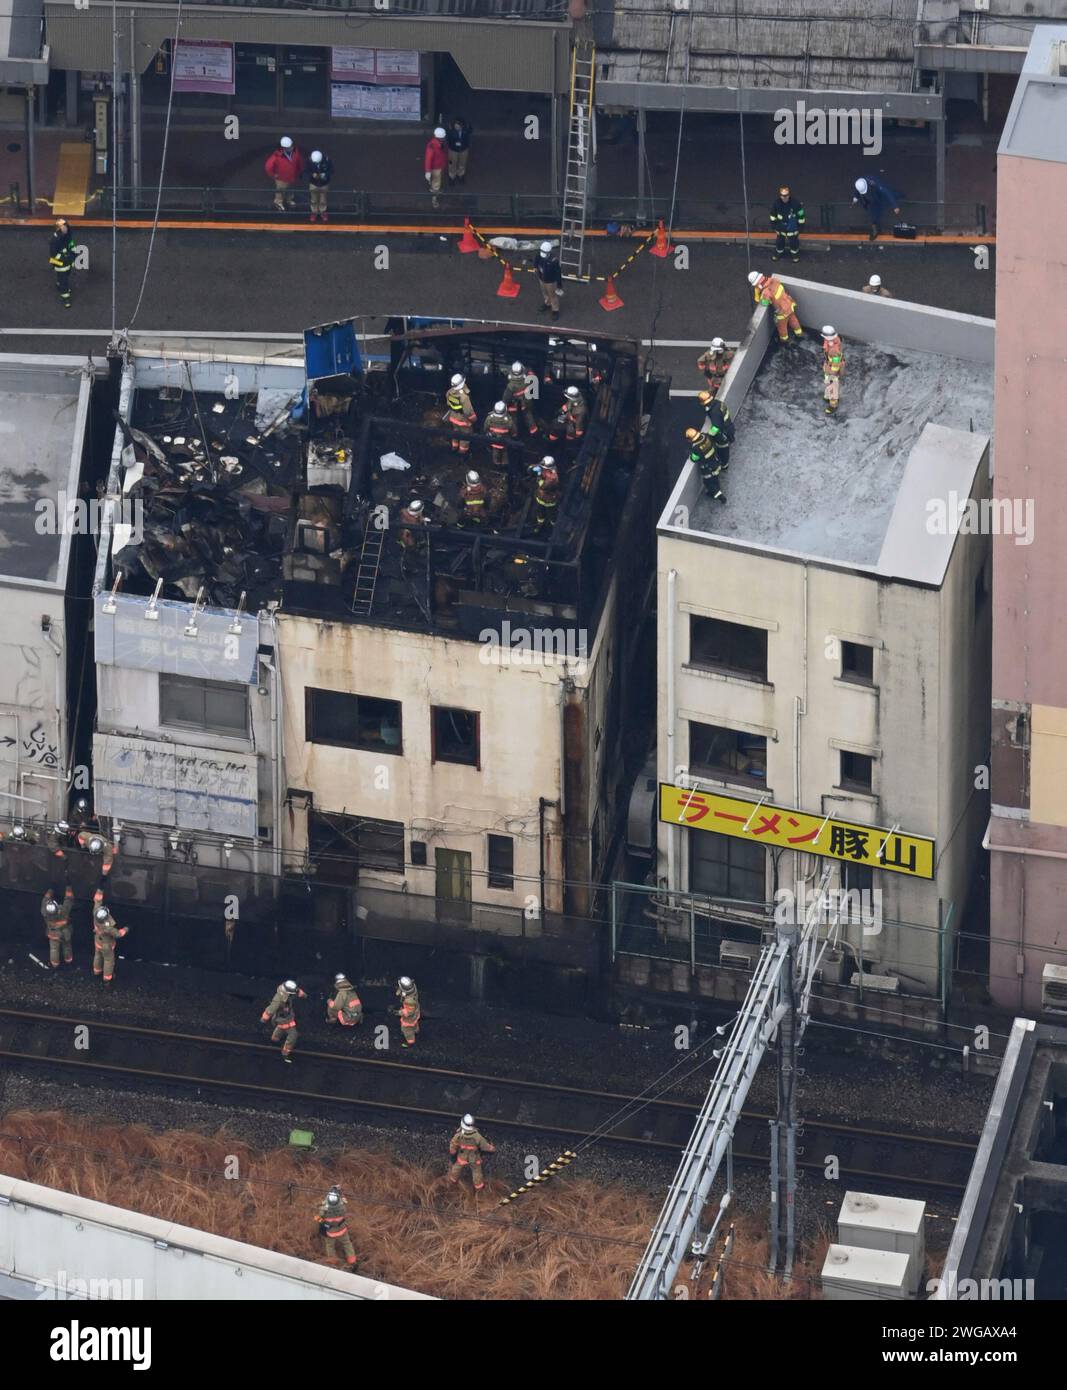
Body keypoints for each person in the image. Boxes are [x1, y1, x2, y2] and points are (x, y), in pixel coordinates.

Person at [748, 270, 803, 345]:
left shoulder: (766, 292)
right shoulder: (775, 280)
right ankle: (799, 334)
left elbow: (765, 303)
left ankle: (785, 341)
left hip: (782, 312)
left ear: (757, 283)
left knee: (782, 327)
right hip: (790, 304)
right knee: (793, 320)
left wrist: (760, 295)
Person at [260, 979, 307, 1063]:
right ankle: (285, 1052)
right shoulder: (278, 998)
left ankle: (274, 1039)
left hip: (286, 1016)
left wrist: (302, 994)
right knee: (293, 1035)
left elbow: (297, 992)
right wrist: (264, 1018)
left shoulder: (288, 992)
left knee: (281, 1028)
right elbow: (271, 1009)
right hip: (282, 1018)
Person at [448, 1114, 496, 1192]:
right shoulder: (478, 1137)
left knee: (456, 1169)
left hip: (462, 1157)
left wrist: (452, 1152)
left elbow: (453, 1146)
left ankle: (452, 1181)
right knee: (477, 1172)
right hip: (474, 1158)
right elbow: (485, 1146)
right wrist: (492, 1149)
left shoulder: (458, 1136)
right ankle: (479, 1188)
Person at [316, 1187, 359, 1270]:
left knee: (330, 1246)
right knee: (347, 1244)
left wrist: (321, 1221)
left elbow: (318, 1217)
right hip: (342, 1231)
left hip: (330, 1233)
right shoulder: (342, 1207)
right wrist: (339, 1191)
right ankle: (352, 1261)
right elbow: (344, 1200)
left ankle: (332, 1261)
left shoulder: (324, 1209)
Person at [853, 175, 902, 241]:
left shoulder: (876, 183)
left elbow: (886, 193)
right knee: (875, 212)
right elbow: (858, 190)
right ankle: (875, 227)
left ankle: (900, 195)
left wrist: (895, 206)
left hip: (878, 196)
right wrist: (855, 196)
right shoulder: (860, 183)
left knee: (891, 196)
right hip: (871, 199)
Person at [685, 428, 726, 504]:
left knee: (708, 483)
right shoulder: (705, 436)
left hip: (707, 468)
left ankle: (719, 495)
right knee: (715, 479)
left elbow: (694, 459)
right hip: (715, 461)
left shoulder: (696, 448)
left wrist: (690, 454)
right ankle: (714, 492)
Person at [264, 137, 305, 213]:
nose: (291, 147)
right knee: (281, 191)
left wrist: (300, 171)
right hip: (281, 178)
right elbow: (268, 166)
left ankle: (289, 199)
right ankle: (278, 202)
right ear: (284, 148)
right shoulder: (276, 156)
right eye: (289, 146)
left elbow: (299, 162)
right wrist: (273, 175)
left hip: (292, 176)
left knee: (290, 189)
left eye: (291, 145)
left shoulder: (295, 152)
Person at [92, 904, 128, 985]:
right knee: (108, 961)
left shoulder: (95, 916)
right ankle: (107, 978)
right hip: (106, 946)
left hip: (98, 942)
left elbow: (97, 903)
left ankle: (96, 971)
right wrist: (126, 929)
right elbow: (118, 934)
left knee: (97, 956)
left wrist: (100, 891)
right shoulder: (109, 928)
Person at [697, 394, 735, 468]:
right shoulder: (718, 403)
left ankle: (724, 465)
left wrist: (708, 436)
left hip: (723, 434)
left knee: (723, 449)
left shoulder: (714, 412)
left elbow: (716, 427)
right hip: (728, 428)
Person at [41, 887, 75, 969]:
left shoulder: (44, 912)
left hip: (52, 933)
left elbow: (44, 901)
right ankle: (68, 961)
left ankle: (55, 964)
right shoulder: (63, 912)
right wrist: (68, 888)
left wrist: (50, 890)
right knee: (67, 947)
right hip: (64, 934)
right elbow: (69, 900)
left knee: (54, 949)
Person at [769, 185, 805, 262]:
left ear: (789, 195)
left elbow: (801, 216)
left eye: (786, 195)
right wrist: (774, 227)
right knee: (779, 242)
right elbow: (772, 216)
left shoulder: (796, 203)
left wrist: (800, 228)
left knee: (794, 242)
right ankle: (779, 252)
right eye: (782, 195)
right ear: (780, 195)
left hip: (792, 227)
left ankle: (794, 254)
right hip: (780, 227)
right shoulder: (776, 204)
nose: (784, 197)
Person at [443, 374, 477, 455]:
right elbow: (468, 412)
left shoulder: (449, 392)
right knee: (465, 437)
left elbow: (449, 404)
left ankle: (454, 448)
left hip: (453, 418)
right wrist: (474, 419)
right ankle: (462, 453)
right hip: (463, 421)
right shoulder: (464, 397)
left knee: (455, 433)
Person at [503, 362, 539, 435]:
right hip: (526, 402)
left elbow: (506, 399)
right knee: (528, 416)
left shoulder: (510, 386)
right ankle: (534, 432)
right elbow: (532, 375)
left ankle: (514, 434)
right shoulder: (527, 379)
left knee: (513, 419)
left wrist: (504, 405)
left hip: (514, 405)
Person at [48, 219, 77, 309]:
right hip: (60, 264)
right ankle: (66, 298)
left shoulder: (67, 236)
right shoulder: (55, 241)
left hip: (68, 262)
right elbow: (53, 256)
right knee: (64, 281)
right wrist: (65, 259)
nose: (65, 229)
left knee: (66, 274)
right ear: (58, 229)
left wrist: (73, 254)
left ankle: (59, 283)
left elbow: (72, 245)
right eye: (63, 227)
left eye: (66, 226)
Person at [530, 456, 560, 532]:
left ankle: (554, 528)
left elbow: (543, 486)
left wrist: (539, 477)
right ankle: (539, 524)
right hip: (540, 498)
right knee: (540, 512)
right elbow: (535, 468)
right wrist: (532, 467)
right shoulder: (545, 468)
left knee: (552, 515)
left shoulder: (553, 477)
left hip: (550, 501)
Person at [821, 325, 845, 415]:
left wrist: (832, 373)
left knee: (832, 387)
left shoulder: (834, 351)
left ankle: (833, 405)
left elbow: (836, 364)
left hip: (832, 371)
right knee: (828, 384)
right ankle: (828, 396)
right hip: (829, 367)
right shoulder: (831, 342)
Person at [534, 242, 562, 319]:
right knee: (545, 293)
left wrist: (559, 285)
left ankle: (555, 310)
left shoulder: (554, 261)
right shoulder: (539, 254)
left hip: (551, 282)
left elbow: (558, 273)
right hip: (541, 278)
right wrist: (535, 267)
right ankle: (547, 303)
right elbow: (536, 260)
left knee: (553, 296)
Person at [483, 400, 517, 465]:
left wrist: (487, 433)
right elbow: (513, 429)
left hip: (494, 441)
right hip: (505, 441)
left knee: (495, 453)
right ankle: (505, 464)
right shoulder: (508, 419)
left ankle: (496, 464)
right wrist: (514, 436)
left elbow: (485, 428)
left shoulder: (490, 418)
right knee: (505, 454)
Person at [424, 127, 448, 209]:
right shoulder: (432, 146)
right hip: (435, 168)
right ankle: (434, 199)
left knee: (435, 181)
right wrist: (428, 171)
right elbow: (428, 159)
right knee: (436, 183)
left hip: (439, 166)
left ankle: (434, 190)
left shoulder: (437, 143)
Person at [308, 149, 333, 224]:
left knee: (323, 199)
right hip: (313, 183)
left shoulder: (327, 161)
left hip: (324, 183)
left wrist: (325, 174)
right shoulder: (309, 161)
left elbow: (332, 170)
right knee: (313, 199)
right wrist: (312, 174)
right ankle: (314, 212)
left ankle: (323, 212)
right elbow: (306, 171)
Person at [395, 976, 420, 1048]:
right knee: (414, 1023)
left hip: (409, 1018)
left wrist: (398, 1012)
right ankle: (416, 1030)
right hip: (415, 1013)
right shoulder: (413, 988)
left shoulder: (409, 1001)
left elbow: (409, 1012)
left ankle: (410, 1042)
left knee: (407, 1029)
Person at [446, 118, 472, 185]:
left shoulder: (466, 130)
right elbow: (448, 140)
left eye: (458, 126)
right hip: (453, 150)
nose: (456, 127)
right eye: (455, 126)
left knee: (462, 163)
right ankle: (452, 176)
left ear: (462, 126)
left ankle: (461, 174)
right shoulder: (451, 131)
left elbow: (470, 131)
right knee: (451, 163)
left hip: (463, 150)